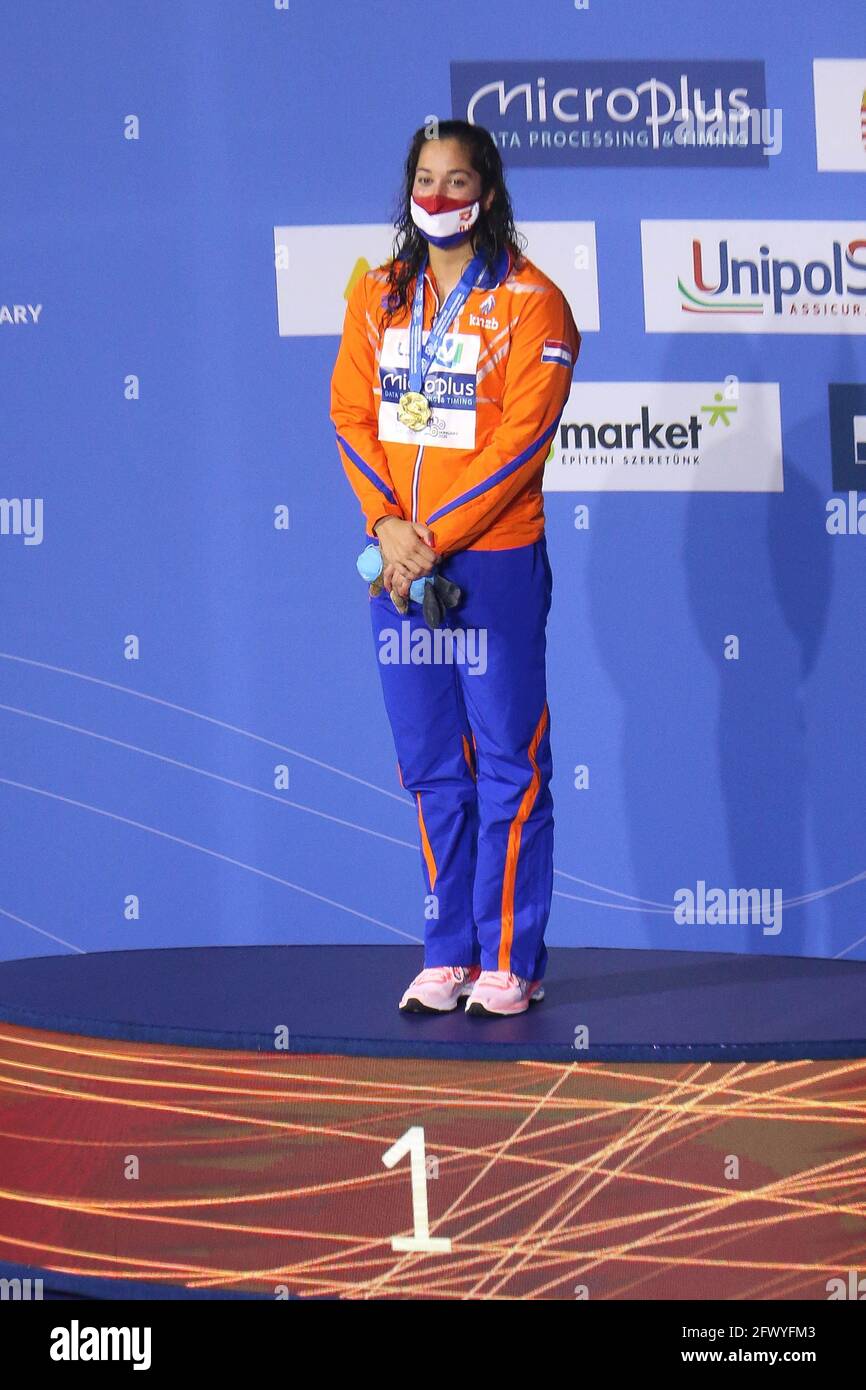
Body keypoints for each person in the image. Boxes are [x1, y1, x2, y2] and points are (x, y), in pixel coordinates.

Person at [330, 119, 580, 1017]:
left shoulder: (532, 302)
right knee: (432, 763)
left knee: (510, 759)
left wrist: (424, 535)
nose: (438, 197)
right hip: (397, 565)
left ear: (489, 192)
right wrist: (389, 526)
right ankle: (450, 951)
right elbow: (350, 412)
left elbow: (519, 448)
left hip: (494, 564)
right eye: (425, 179)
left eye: (458, 180)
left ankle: (512, 958)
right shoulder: (379, 295)